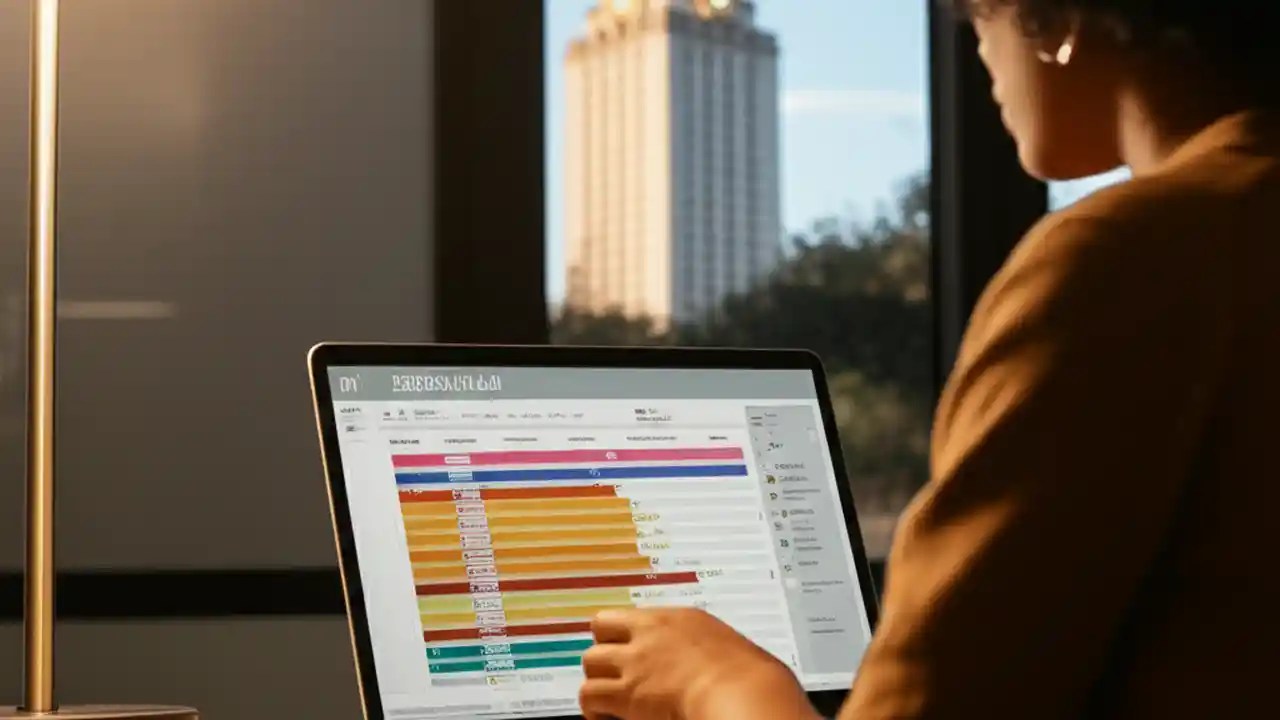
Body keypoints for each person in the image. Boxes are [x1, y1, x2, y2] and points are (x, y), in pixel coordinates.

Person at [578, 0, 1280, 717]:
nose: (979, 56)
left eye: (975, 19)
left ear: (1054, 20)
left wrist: (716, 683)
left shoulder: (1125, 259)